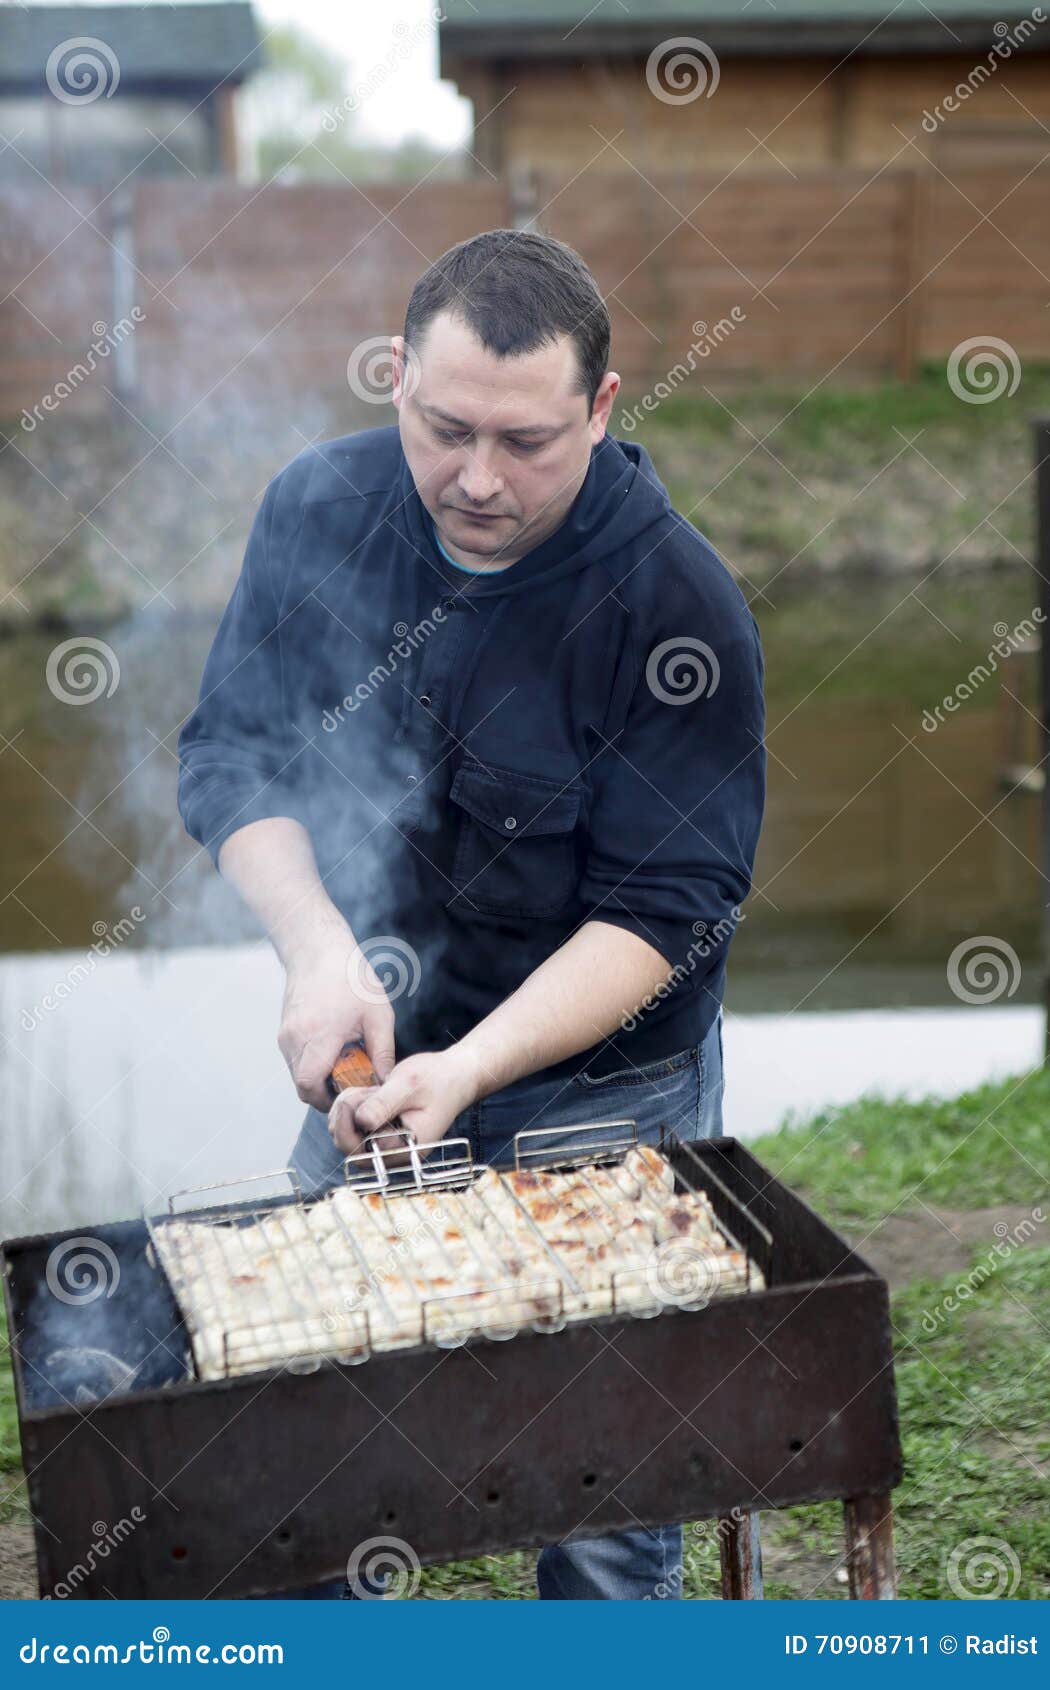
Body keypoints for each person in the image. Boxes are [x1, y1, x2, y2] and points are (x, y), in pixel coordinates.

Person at [176, 227, 766, 1600]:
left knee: (607, 1508)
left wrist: (479, 1066)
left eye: (528, 442)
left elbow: (671, 905)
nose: (478, 480)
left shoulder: (677, 607)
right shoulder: (319, 510)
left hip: (603, 1093)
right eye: (445, 430)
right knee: (310, 1455)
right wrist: (320, 952)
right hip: (379, 1075)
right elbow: (232, 757)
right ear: (396, 380)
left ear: (603, 410)